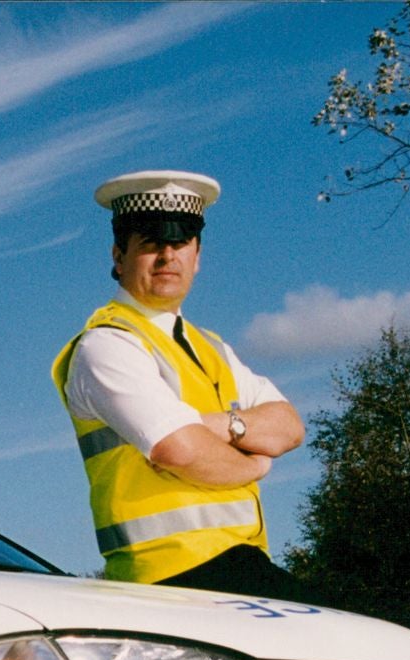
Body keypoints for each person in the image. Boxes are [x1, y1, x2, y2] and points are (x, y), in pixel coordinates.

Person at [52, 169, 314, 602]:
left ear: (197, 256)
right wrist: (255, 465)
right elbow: (179, 449)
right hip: (166, 580)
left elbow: (288, 426)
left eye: (180, 243)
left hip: (241, 566)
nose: (166, 256)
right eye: (150, 243)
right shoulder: (108, 344)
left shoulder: (211, 347)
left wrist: (218, 426)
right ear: (119, 257)